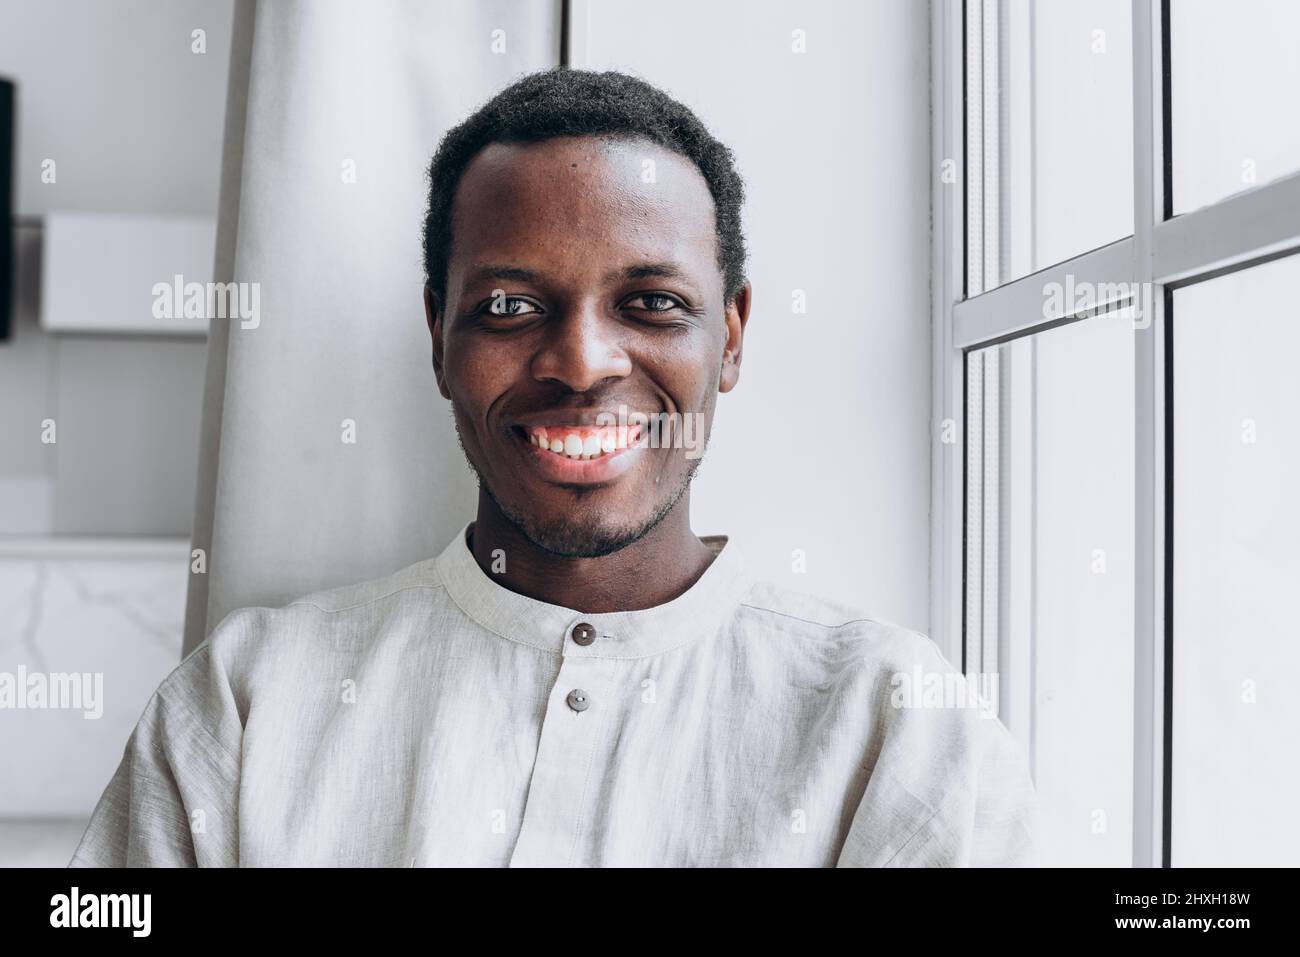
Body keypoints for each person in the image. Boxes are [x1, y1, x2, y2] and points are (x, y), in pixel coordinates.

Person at [71, 68, 1036, 867]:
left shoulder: (893, 723)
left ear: (730, 336)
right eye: (507, 307)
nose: (581, 364)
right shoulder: (247, 702)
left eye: (652, 302)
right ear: (436, 334)